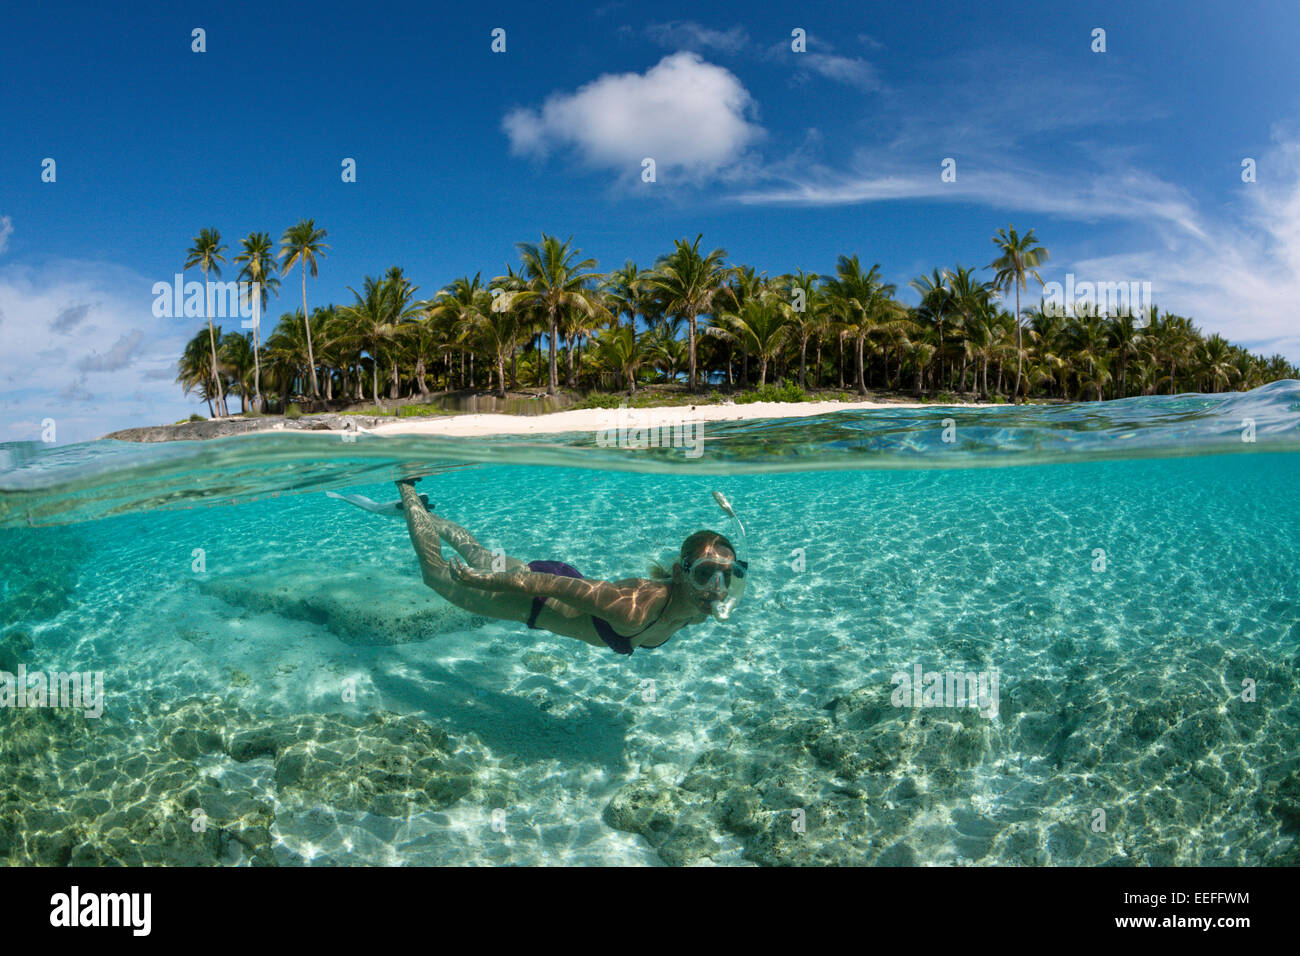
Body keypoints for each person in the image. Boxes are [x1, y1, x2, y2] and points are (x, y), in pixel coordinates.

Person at [392, 480, 747, 655]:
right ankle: (407, 489)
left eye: (726, 576)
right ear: (680, 572)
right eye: (705, 573)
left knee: (476, 551)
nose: (717, 587)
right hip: (532, 596)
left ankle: (422, 511)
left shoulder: (700, 608)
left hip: (557, 577)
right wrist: (486, 581)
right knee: (434, 573)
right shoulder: (633, 610)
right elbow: (543, 585)